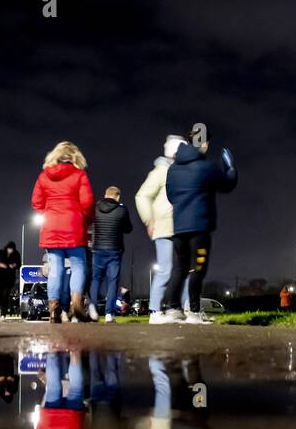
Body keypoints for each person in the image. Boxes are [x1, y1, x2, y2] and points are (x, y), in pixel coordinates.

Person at [162, 128, 238, 324]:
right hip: (200, 228)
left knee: (179, 268)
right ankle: (194, 312)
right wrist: (230, 168)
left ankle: (172, 309)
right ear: (203, 143)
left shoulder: (173, 168)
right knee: (198, 268)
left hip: (178, 228)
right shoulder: (207, 167)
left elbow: (170, 197)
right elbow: (227, 185)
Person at [31, 141, 95, 323]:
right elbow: (88, 202)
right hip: (74, 226)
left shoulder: (44, 176)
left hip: (51, 227)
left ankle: (53, 309)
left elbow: (36, 202)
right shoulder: (79, 175)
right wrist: (87, 219)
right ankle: (76, 302)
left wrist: (49, 211)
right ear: (75, 157)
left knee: (55, 270)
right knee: (78, 266)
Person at [135, 136, 186, 324]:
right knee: (165, 269)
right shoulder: (160, 171)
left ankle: (184, 309)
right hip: (164, 225)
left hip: (183, 226)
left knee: (186, 268)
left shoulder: (183, 171)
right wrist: (149, 220)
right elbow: (142, 195)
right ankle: (155, 311)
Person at [89, 185, 133, 323]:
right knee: (112, 282)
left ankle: (92, 310)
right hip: (114, 250)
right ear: (117, 196)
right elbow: (128, 229)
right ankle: (109, 314)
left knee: (95, 280)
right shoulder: (121, 210)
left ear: (105, 194)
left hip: (97, 249)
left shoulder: (94, 209)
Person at [0, 242, 21, 318]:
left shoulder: (16, 254)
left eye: (12, 249)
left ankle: (3, 314)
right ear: (6, 248)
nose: (10, 250)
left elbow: (19, 263)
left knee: (5, 296)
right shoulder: (0, 253)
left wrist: (14, 265)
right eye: (9, 249)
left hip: (9, 280)